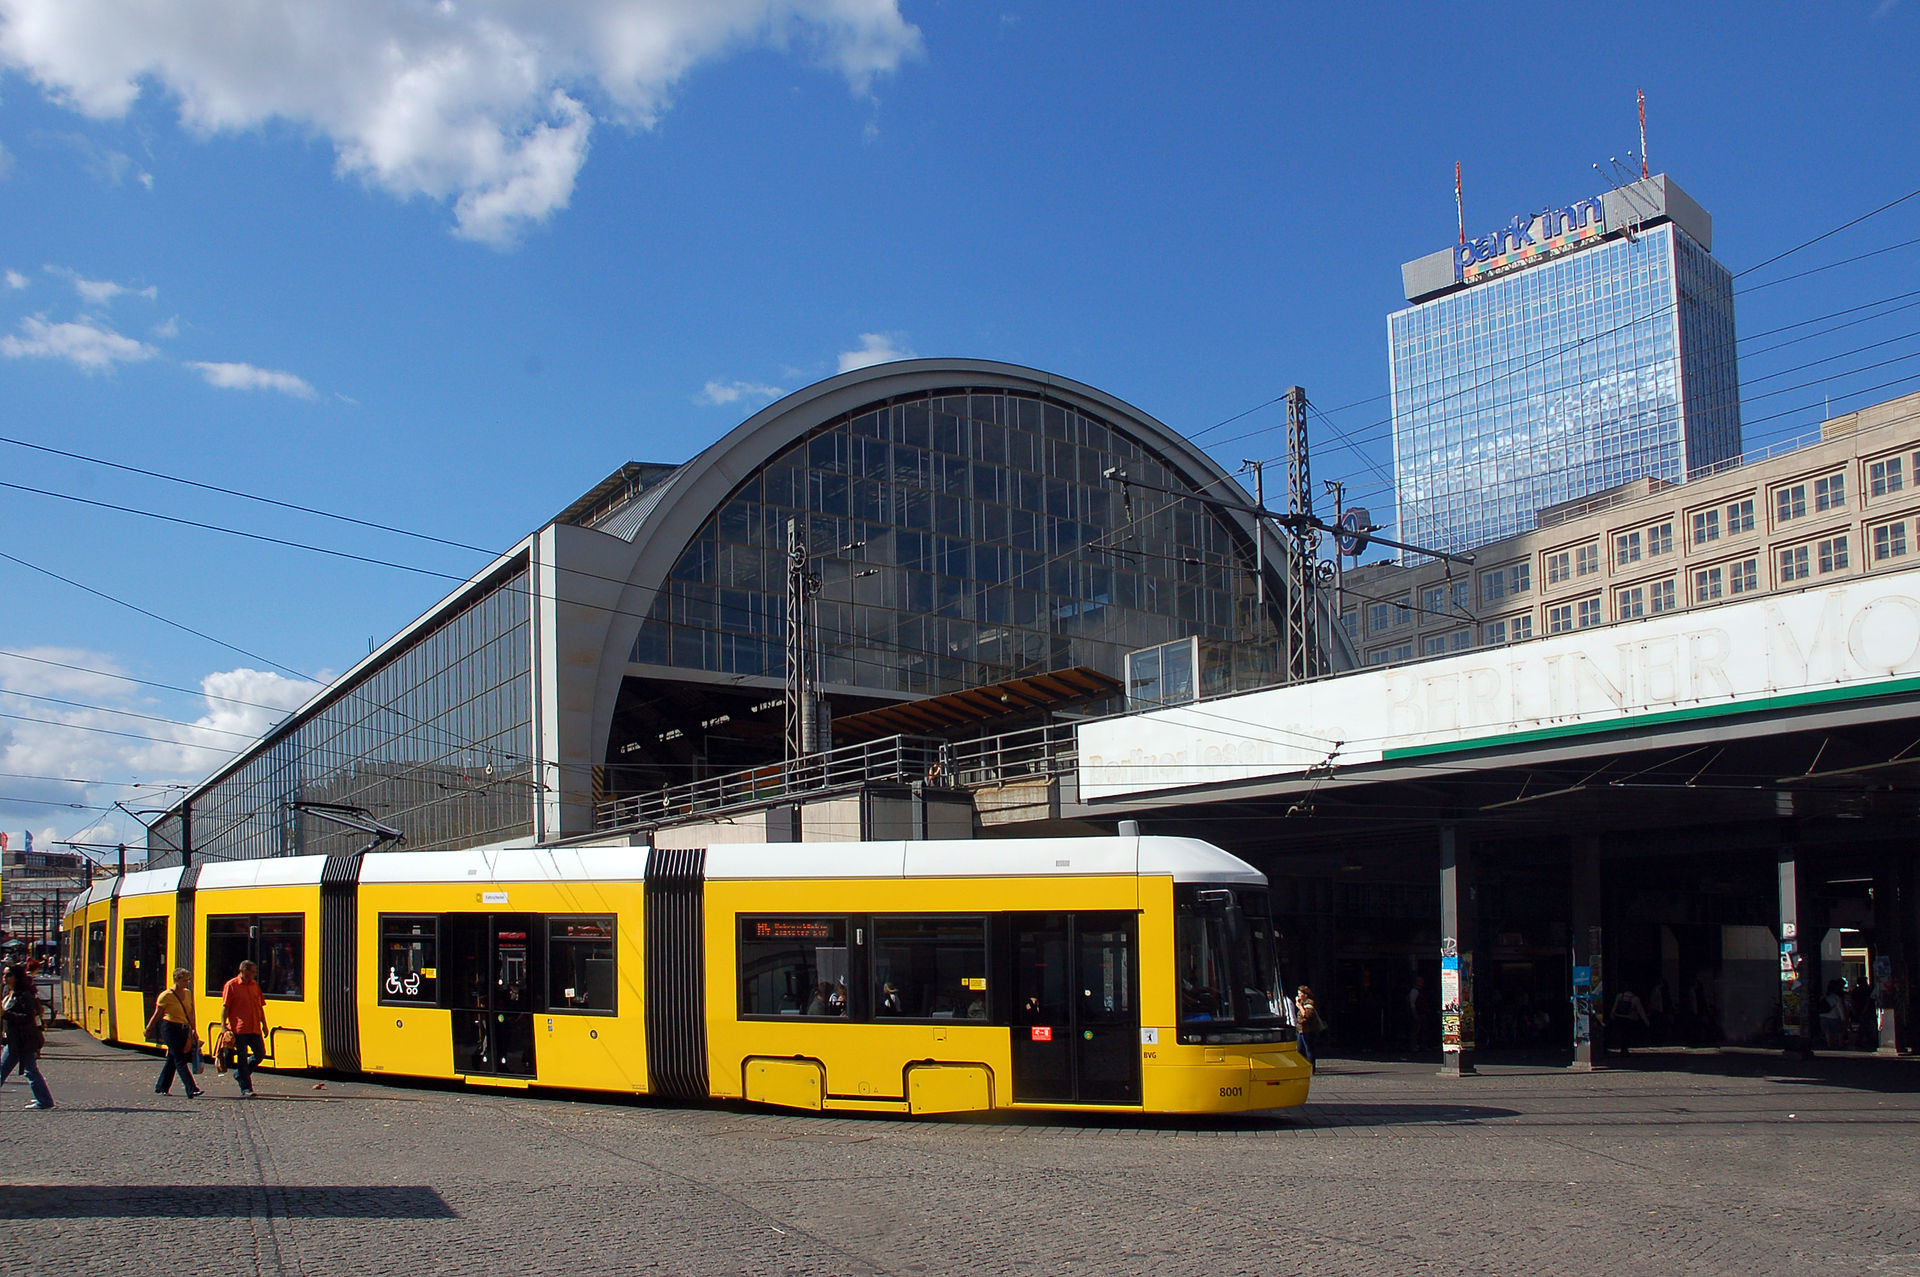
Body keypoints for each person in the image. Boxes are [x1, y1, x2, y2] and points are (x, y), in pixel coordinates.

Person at [1, 964, 55, 1109]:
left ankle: (44, 1101)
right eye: (4, 974)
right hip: (16, 1040)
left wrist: (5, 1014)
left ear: (16, 978)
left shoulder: (23, 995)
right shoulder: (9, 993)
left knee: (4, 1069)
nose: (4, 978)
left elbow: (27, 1017)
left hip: (21, 1041)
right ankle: (44, 1100)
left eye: (8, 975)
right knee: (30, 1070)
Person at [146, 967, 203, 1099]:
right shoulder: (166, 995)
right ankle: (192, 1088)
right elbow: (157, 1014)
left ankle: (161, 1086)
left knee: (172, 1059)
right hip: (170, 1029)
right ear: (176, 980)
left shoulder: (188, 993)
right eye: (184, 980)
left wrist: (194, 1030)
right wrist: (149, 1028)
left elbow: (190, 1013)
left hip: (183, 1028)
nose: (187, 983)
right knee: (180, 1059)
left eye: (188, 980)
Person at [221, 959, 269, 1098]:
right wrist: (224, 1026)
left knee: (260, 1054)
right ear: (243, 971)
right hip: (239, 1029)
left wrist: (264, 1024)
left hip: (254, 1027)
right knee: (242, 1058)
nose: (255, 974)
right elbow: (225, 1007)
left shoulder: (255, 986)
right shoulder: (231, 985)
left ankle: (240, 1075)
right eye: (252, 972)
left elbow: (260, 1006)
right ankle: (246, 1088)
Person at [1610, 987, 1650, 1056]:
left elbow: (1614, 1009)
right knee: (1627, 1034)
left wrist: (1613, 1015)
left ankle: (1623, 1048)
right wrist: (1646, 1022)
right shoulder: (1635, 999)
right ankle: (1625, 1049)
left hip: (1619, 1018)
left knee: (1622, 1034)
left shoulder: (1620, 996)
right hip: (1629, 1019)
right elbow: (1641, 1012)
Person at [1294, 984, 1325, 1065]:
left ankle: (1311, 1066)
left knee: (1309, 1049)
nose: (1298, 995)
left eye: (1300, 993)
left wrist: (1299, 1006)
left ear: (1305, 995)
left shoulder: (1309, 1003)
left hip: (1308, 1030)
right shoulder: (1301, 1002)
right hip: (1301, 1030)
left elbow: (1306, 1015)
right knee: (1300, 1049)